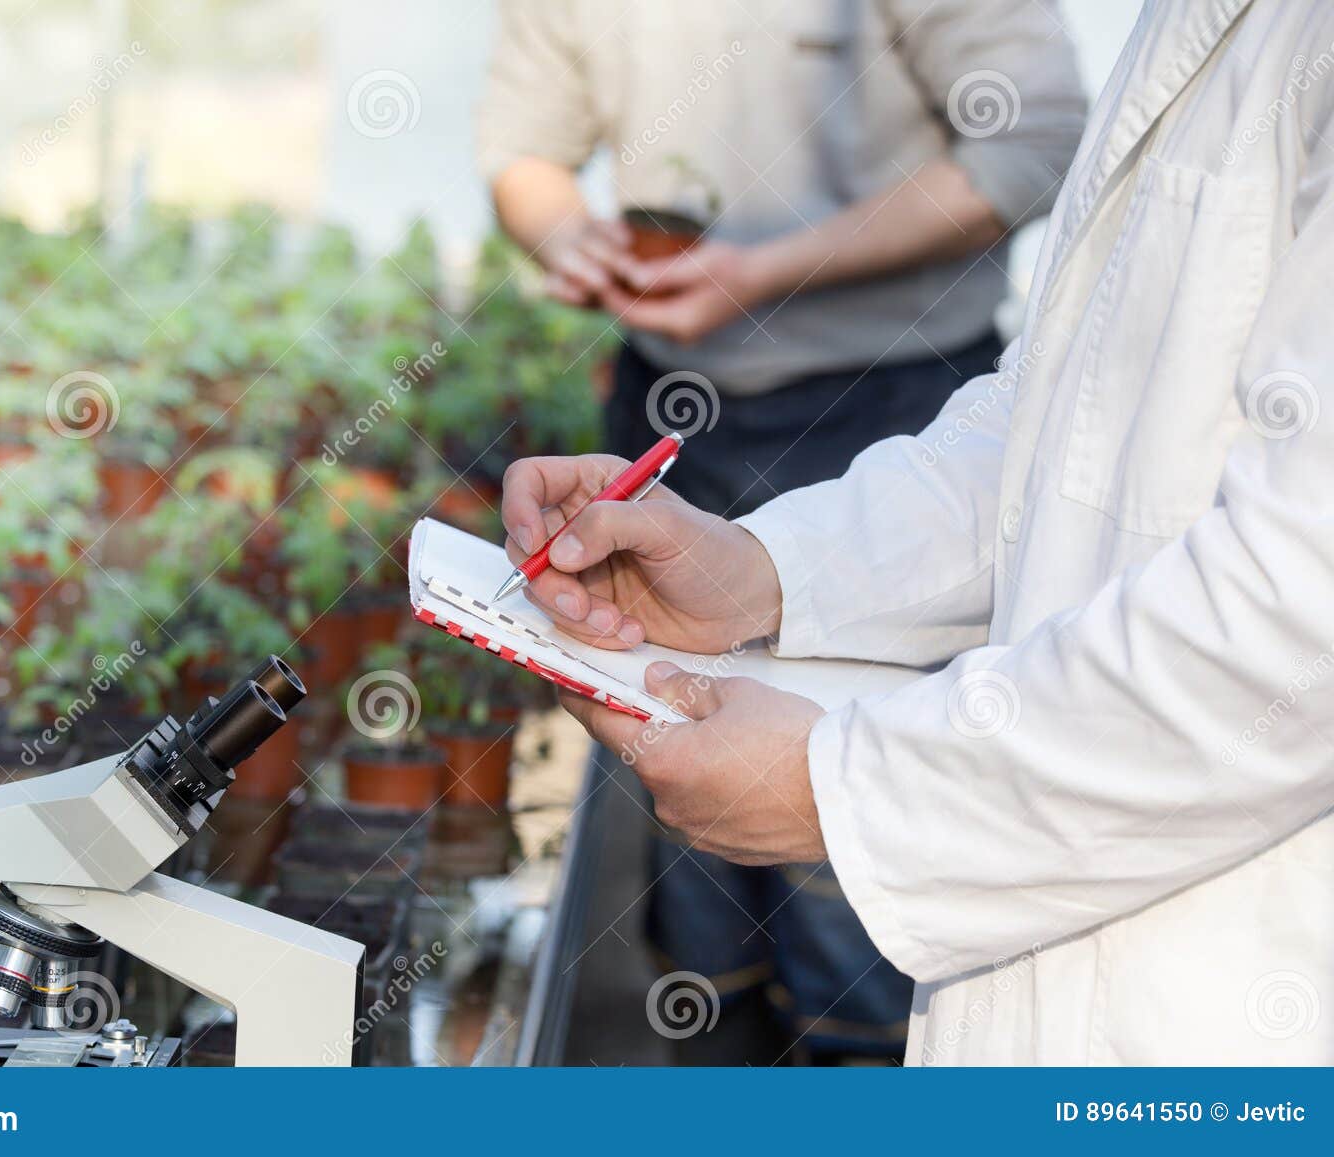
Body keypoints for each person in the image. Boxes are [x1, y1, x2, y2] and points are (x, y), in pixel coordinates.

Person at [498, 0, 1334, 1064]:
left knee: (839, 966)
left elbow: (1300, 621)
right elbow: (1065, 412)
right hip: (738, 428)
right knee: (713, 940)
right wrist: (765, 569)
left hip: (1235, 1024)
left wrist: (850, 792)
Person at [478, 0, 1086, 1060]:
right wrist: (572, 240)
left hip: (891, 406)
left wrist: (771, 273)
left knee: (846, 882)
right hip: (670, 408)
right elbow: (524, 150)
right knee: (694, 830)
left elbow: (1028, 147)